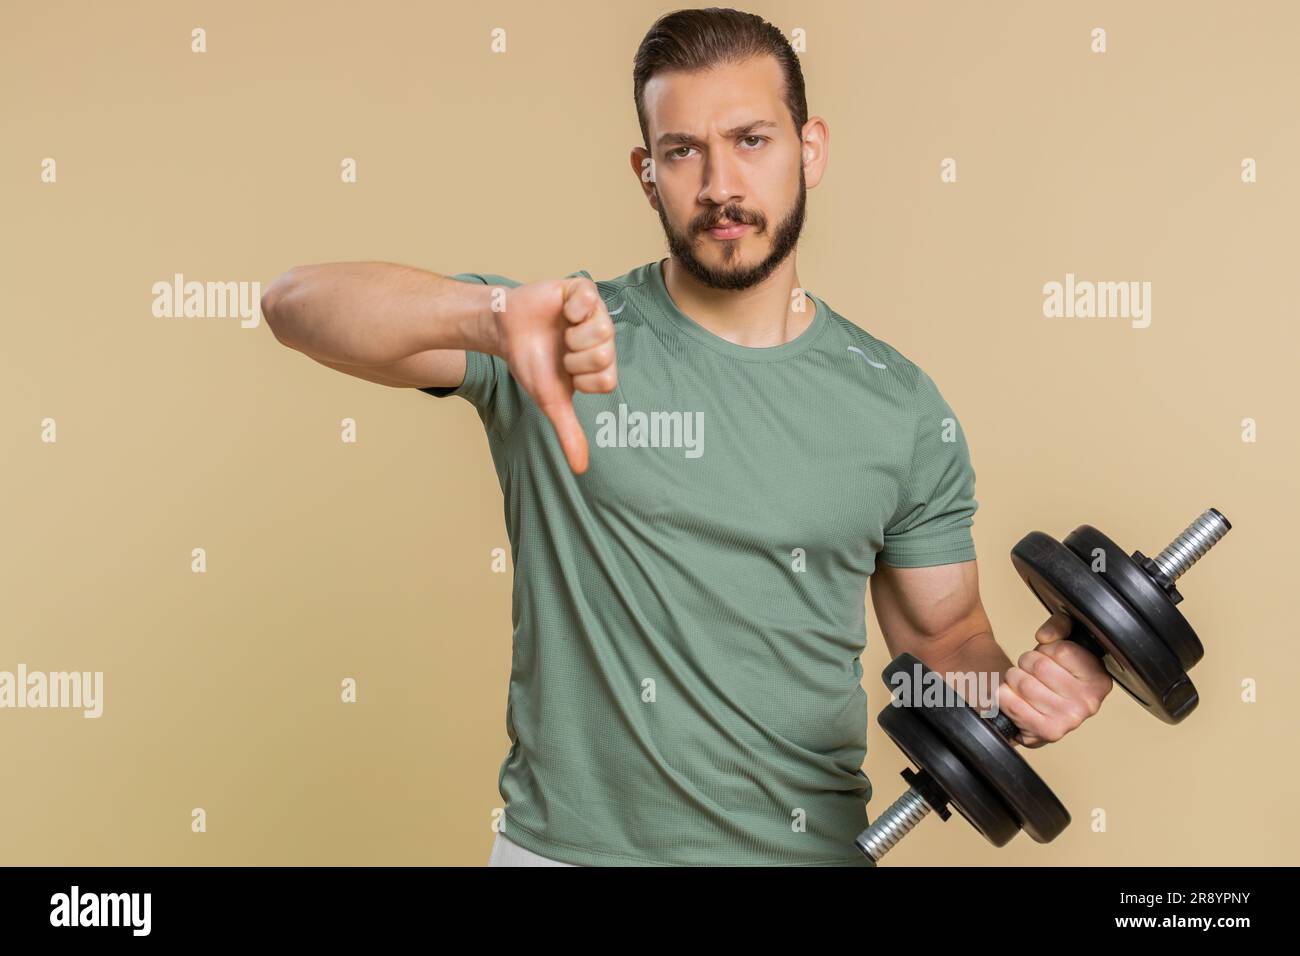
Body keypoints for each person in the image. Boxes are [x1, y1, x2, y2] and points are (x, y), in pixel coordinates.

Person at [261, 7, 1112, 867]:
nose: (719, 186)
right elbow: (294, 306)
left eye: (750, 140)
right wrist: (483, 314)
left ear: (809, 149)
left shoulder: (897, 405)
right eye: (682, 151)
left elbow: (943, 644)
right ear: (647, 172)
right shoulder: (557, 335)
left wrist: (1026, 694)